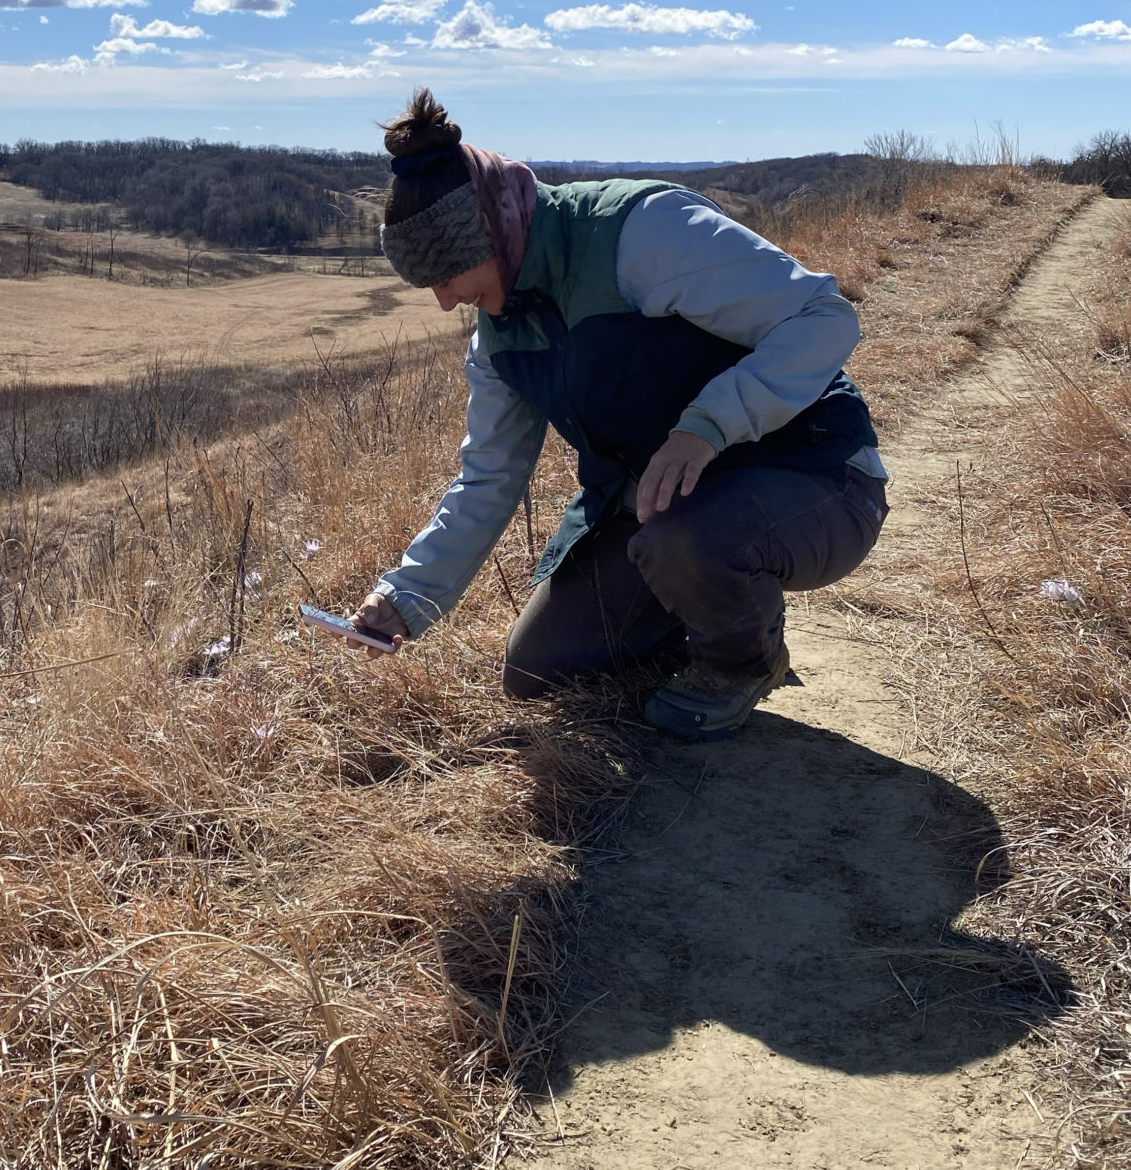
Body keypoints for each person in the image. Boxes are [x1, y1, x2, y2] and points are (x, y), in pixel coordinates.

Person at [350, 89, 889, 742]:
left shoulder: (639, 232)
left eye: (450, 275)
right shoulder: (500, 335)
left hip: (817, 473)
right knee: (537, 669)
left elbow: (823, 315)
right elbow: (489, 476)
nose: (444, 302)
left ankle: (743, 662)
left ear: (496, 228)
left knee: (687, 537)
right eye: (429, 287)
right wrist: (405, 599)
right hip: (665, 504)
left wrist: (707, 425)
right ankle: (708, 611)